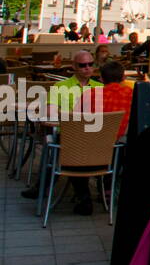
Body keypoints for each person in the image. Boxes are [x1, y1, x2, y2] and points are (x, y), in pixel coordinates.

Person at [25, 50, 104, 213]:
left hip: (93, 138)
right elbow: (49, 112)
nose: (87, 68)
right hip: (70, 136)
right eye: (83, 65)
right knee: (70, 146)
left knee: (67, 150)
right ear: (74, 66)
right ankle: (84, 197)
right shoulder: (60, 87)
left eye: (91, 64)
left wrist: (67, 113)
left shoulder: (101, 88)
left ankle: (43, 187)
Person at [95, 59, 134, 140]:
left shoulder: (89, 94)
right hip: (120, 145)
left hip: (91, 144)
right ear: (123, 78)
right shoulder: (131, 93)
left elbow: (76, 120)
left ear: (101, 78)